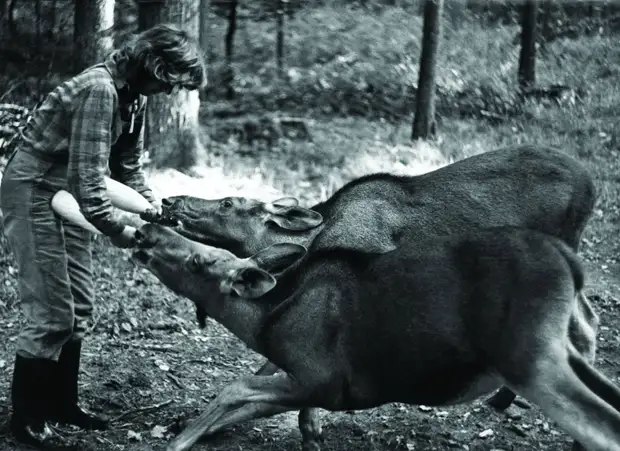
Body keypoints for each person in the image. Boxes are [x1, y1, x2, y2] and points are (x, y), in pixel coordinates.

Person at [0, 24, 207, 449]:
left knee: (79, 304)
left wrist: (154, 212)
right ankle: (27, 419)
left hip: (66, 188)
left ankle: (60, 404)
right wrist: (120, 231)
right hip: (36, 186)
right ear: (155, 66)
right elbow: (92, 185)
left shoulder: (134, 95)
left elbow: (127, 167)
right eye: (171, 82)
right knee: (52, 310)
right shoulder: (100, 91)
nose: (169, 93)